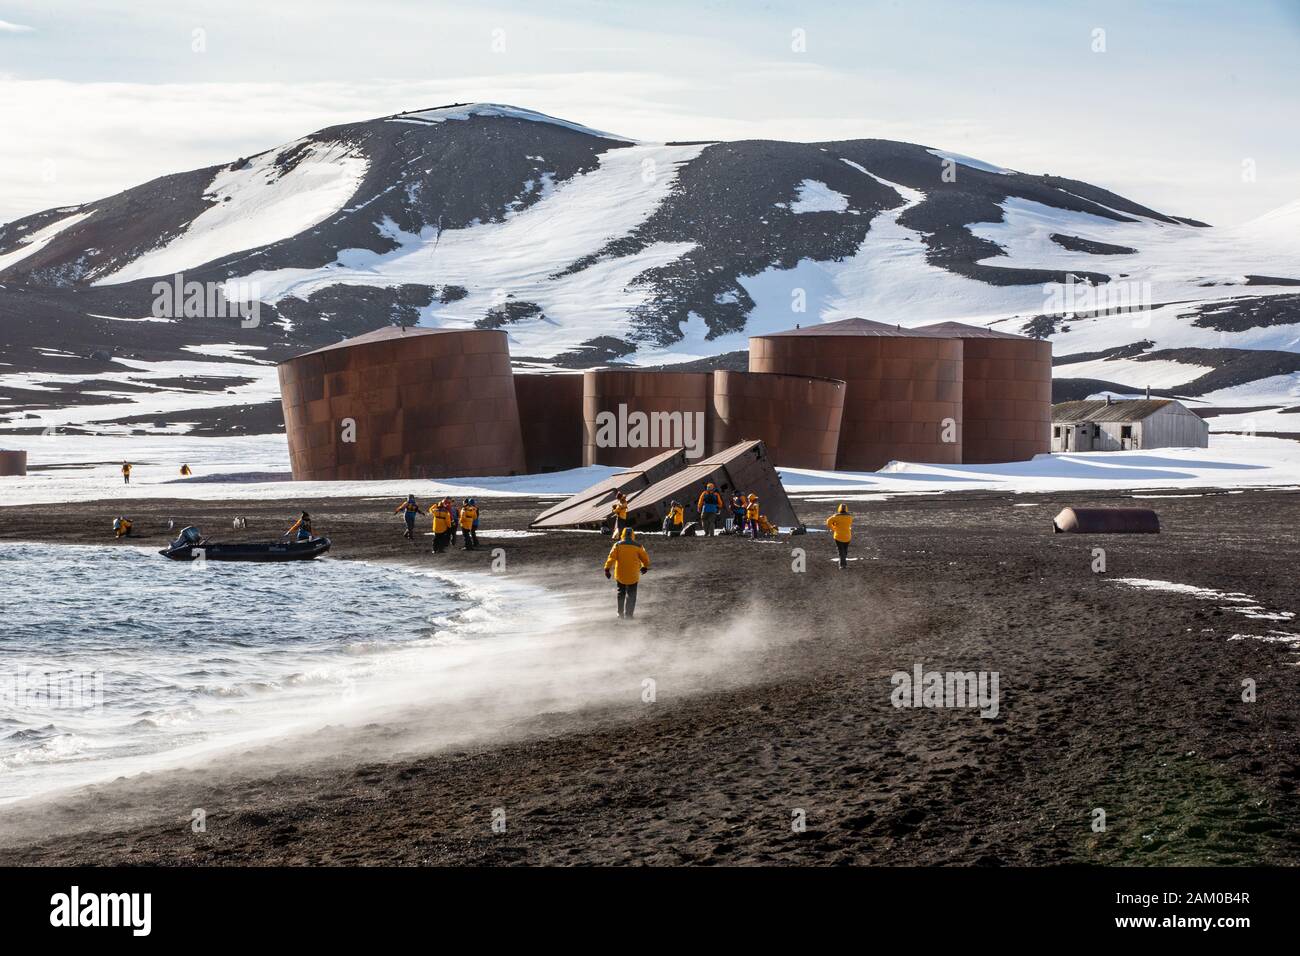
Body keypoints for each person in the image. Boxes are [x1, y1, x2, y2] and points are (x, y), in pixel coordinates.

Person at [603, 528, 651, 619]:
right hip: (633, 575)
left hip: (620, 574)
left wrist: (607, 569)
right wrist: (644, 566)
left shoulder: (617, 545)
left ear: (623, 534)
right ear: (632, 535)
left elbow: (611, 558)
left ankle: (620, 613)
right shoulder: (639, 546)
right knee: (631, 595)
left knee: (621, 593)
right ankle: (629, 615)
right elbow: (645, 559)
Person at [826, 503, 853, 569]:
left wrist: (833, 527)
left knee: (841, 551)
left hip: (838, 536)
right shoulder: (850, 517)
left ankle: (842, 565)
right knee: (845, 550)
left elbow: (828, 522)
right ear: (846, 509)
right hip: (847, 536)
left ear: (839, 509)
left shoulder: (836, 517)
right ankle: (843, 563)